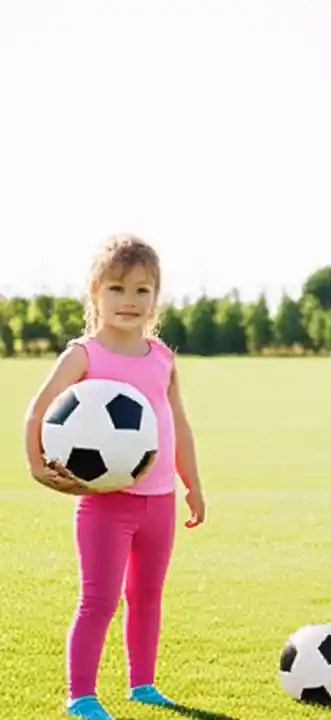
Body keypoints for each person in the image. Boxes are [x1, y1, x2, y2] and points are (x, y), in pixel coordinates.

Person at [24, 234, 208, 720]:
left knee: (146, 597)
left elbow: (179, 426)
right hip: (105, 504)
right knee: (99, 600)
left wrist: (193, 485)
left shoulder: (162, 357)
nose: (129, 301)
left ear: (156, 297)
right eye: (117, 289)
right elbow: (37, 413)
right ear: (95, 293)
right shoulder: (83, 355)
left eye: (142, 290)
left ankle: (142, 684)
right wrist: (37, 467)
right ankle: (81, 695)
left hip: (160, 501)